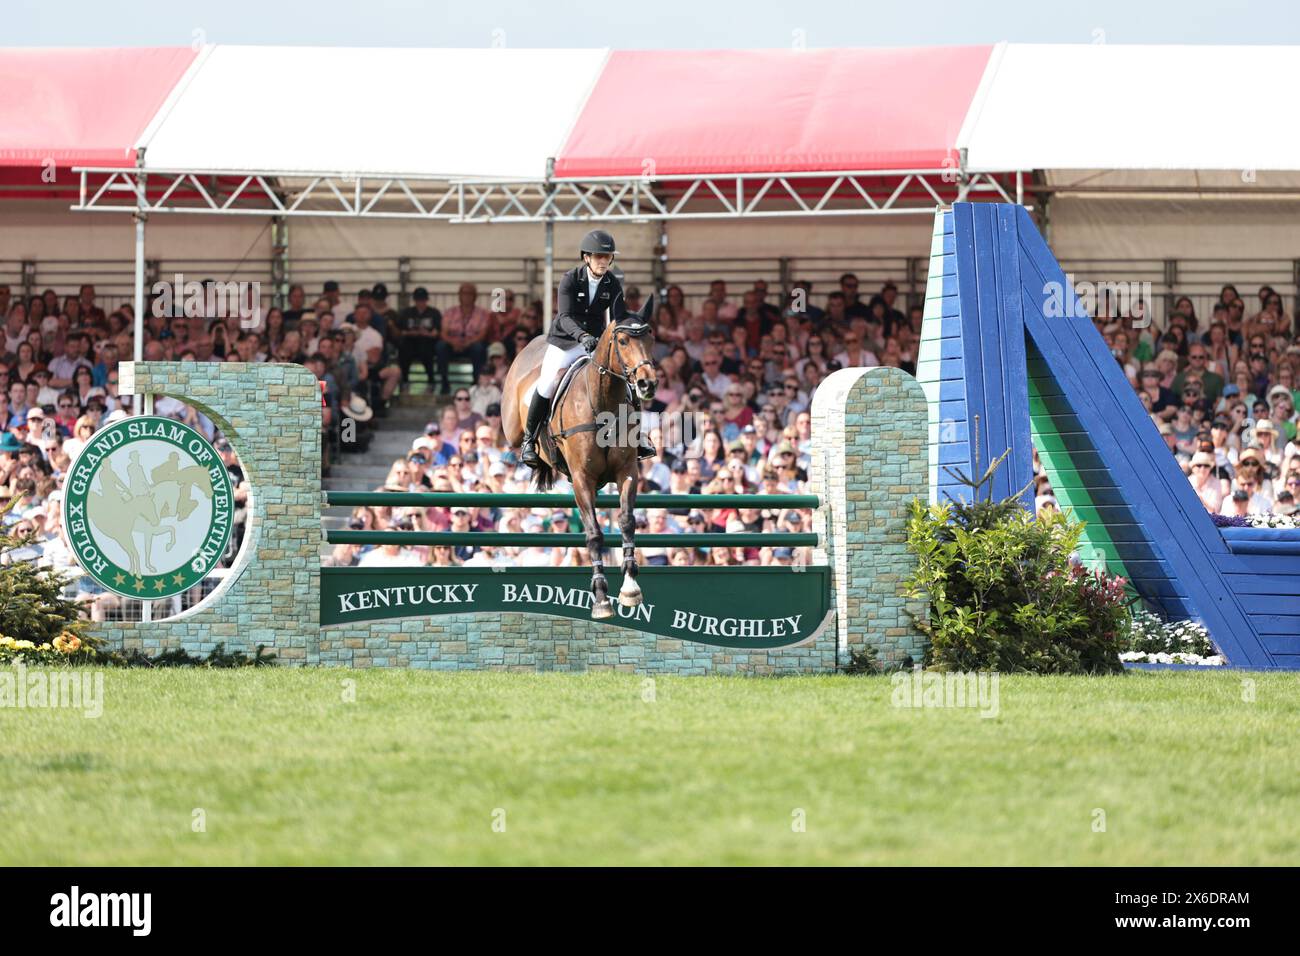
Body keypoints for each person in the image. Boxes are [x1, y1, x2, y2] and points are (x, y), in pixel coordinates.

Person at [520, 229, 653, 467]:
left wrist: (622, 332)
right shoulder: (570, 279)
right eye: (598, 257)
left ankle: (638, 437)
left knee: (628, 382)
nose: (603, 261)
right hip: (565, 342)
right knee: (548, 382)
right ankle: (529, 441)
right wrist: (582, 336)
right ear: (587, 258)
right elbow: (564, 316)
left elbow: (617, 318)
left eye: (607, 257)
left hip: (596, 343)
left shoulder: (612, 282)